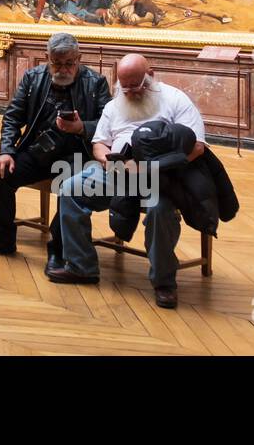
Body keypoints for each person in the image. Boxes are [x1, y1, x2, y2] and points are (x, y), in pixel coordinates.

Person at [52, 54, 206, 309]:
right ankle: (81, 267)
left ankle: (164, 282)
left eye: (138, 86)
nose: (132, 92)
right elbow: (99, 143)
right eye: (126, 87)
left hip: (160, 176)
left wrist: (151, 167)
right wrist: (109, 161)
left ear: (151, 75)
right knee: (70, 188)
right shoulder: (115, 105)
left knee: (161, 211)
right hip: (117, 171)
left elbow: (197, 147)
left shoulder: (175, 99)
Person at [0, 32, 112, 273]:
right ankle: (3, 237)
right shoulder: (33, 77)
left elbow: (109, 124)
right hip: (40, 151)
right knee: (1, 175)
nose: (63, 69)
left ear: (79, 58)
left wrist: (81, 128)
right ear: (47, 58)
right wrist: (6, 151)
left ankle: (58, 249)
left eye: (69, 63)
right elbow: (13, 117)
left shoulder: (95, 83)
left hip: (78, 154)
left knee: (71, 189)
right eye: (56, 63)